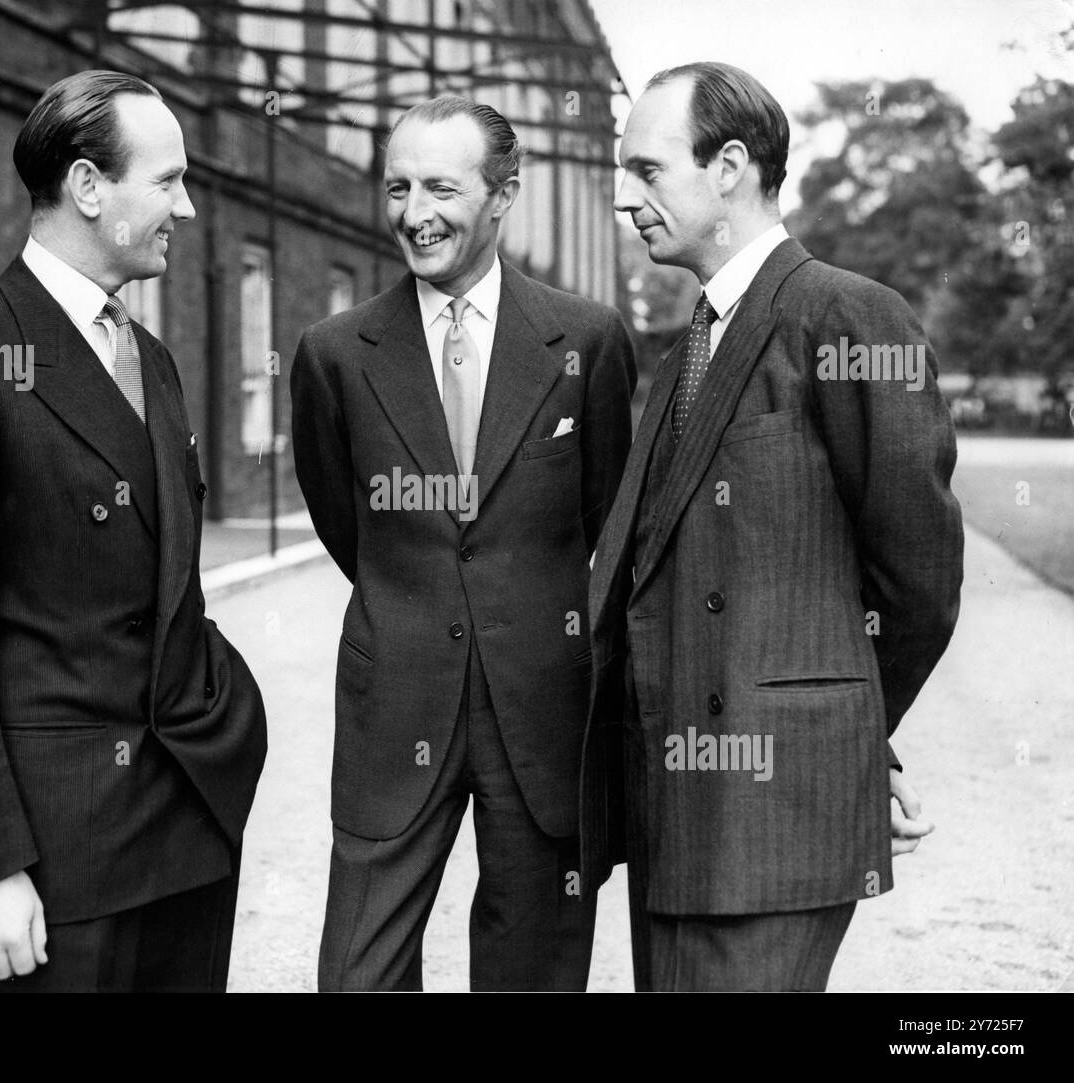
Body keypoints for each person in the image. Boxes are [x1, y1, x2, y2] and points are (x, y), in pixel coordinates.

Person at [0, 69, 266, 992]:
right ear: (89, 188)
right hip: (55, 867)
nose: (188, 208)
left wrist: (230, 719)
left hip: (188, 831)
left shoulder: (151, 358)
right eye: (167, 182)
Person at [580, 62, 964, 991]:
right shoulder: (684, 352)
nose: (625, 198)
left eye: (647, 170)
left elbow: (918, 577)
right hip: (675, 814)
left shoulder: (848, 315)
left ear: (730, 168)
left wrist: (842, 731)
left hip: (773, 817)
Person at [291, 96, 636, 991]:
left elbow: (606, 517)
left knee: (533, 968)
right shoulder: (334, 352)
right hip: (395, 693)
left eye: (441, 186)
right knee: (357, 972)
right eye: (398, 186)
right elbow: (346, 521)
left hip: (544, 703)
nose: (415, 212)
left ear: (503, 193)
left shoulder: (588, 341)